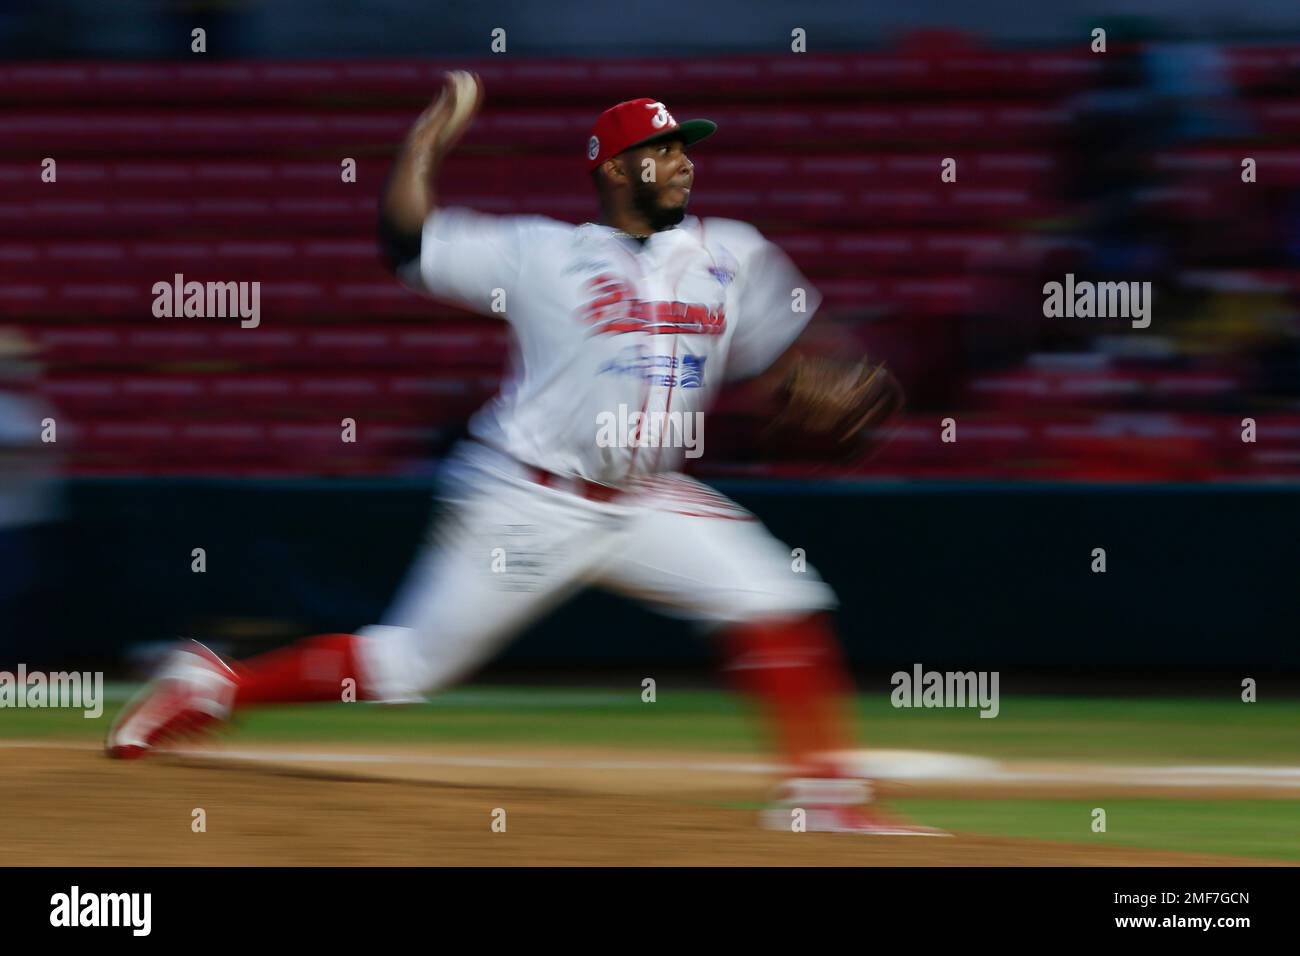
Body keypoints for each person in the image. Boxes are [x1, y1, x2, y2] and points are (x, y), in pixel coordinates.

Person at [107, 72, 942, 836]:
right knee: (409, 665)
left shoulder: (736, 255)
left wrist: (826, 379)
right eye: (662, 150)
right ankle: (215, 684)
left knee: (775, 593)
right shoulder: (542, 253)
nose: (683, 161)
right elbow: (406, 245)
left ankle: (824, 795)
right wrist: (425, 145)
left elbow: (800, 354)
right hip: (527, 499)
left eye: (686, 147)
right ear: (616, 170)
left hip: (648, 498)